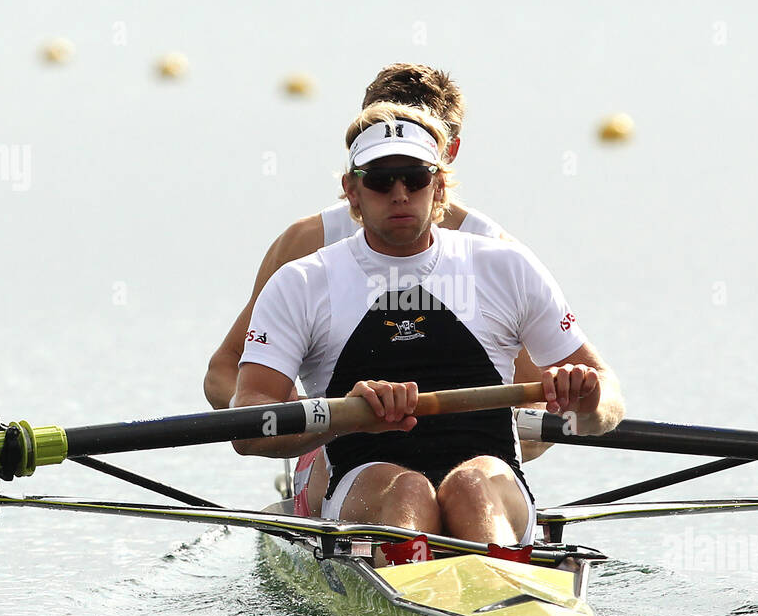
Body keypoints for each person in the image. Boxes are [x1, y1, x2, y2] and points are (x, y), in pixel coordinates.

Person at [230, 103, 624, 550]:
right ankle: (451, 592)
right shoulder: (301, 282)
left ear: (438, 187)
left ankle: (500, 593)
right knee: (409, 489)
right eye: (379, 179)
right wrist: (339, 418)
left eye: (415, 178)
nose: (399, 193)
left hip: (491, 475)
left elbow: (610, 401)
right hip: (366, 480)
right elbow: (247, 425)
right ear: (351, 191)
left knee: (471, 488)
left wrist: (588, 398)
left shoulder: (506, 266)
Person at [204, 62, 549, 517]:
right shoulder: (308, 247)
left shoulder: (493, 253)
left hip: (472, 461)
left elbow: (538, 414)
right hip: (344, 455)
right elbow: (224, 376)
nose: (398, 181)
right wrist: (329, 417)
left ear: (448, 155)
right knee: (379, 477)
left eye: (415, 154)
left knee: (470, 481)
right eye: (381, 163)